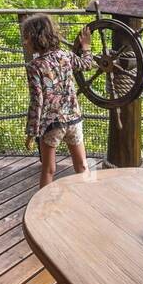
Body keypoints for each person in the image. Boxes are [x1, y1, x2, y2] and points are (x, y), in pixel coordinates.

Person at [21, 13, 95, 188]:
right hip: (74, 121)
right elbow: (87, 64)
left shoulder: (34, 67)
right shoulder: (65, 56)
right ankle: (89, 203)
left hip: (52, 125)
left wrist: (32, 132)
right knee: (82, 165)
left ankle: (43, 210)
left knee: (48, 169)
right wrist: (86, 47)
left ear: (37, 38)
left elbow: (37, 101)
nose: (24, 42)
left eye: (26, 38)